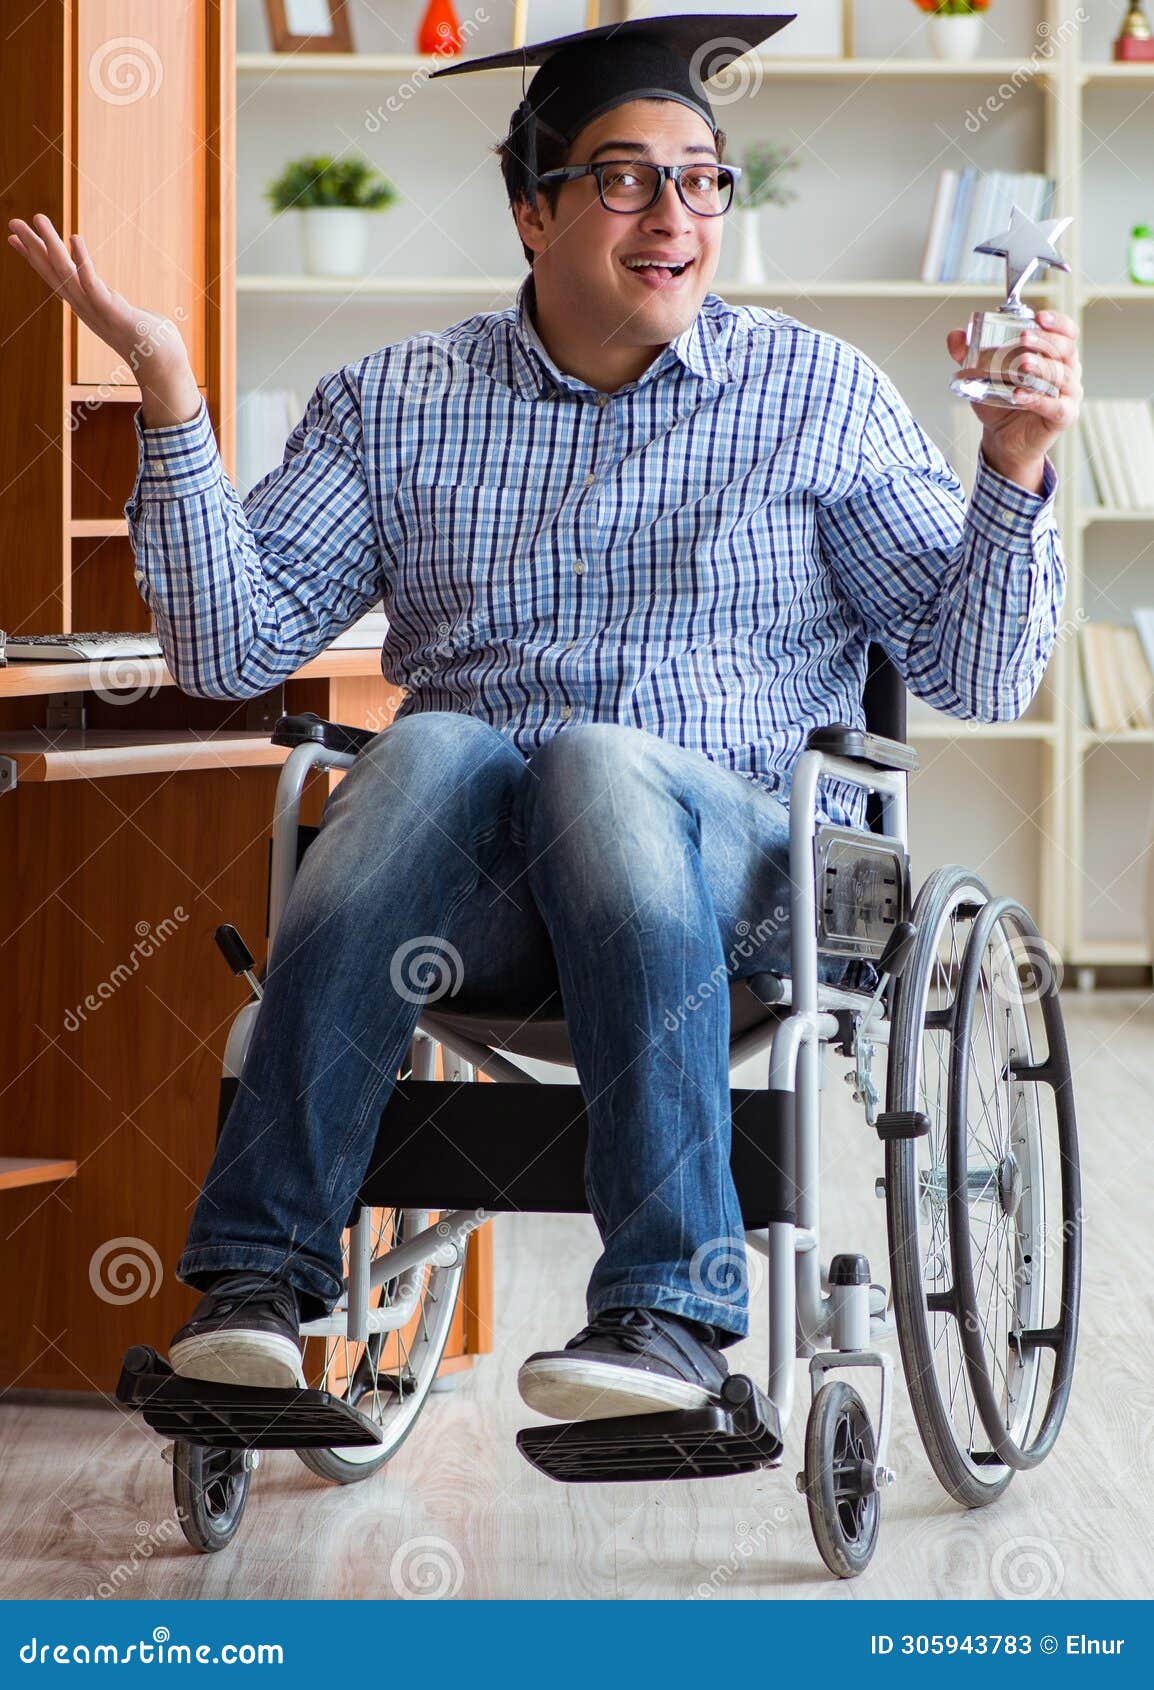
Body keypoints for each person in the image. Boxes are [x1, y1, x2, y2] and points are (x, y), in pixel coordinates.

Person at [7, 12, 1080, 1425]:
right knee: (433, 745)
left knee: (598, 762)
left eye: (702, 180)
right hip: (489, 902)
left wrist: (1012, 471)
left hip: (743, 882)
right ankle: (258, 1281)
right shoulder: (397, 404)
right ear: (531, 210)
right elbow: (231, 649)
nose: (674, 215)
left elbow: (979, 675)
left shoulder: (816, 395)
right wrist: (168, 397)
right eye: (626, 178)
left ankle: (670, 1311)